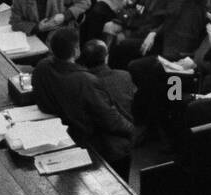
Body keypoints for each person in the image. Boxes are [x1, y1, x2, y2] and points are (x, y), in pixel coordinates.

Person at [31, 29, 134, 176]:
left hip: (55, 128)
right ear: (76, 50)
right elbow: (109, 119)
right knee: (120, 146)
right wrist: (133, 130)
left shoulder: (42, 66)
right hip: (82, 138)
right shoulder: (85, 81)